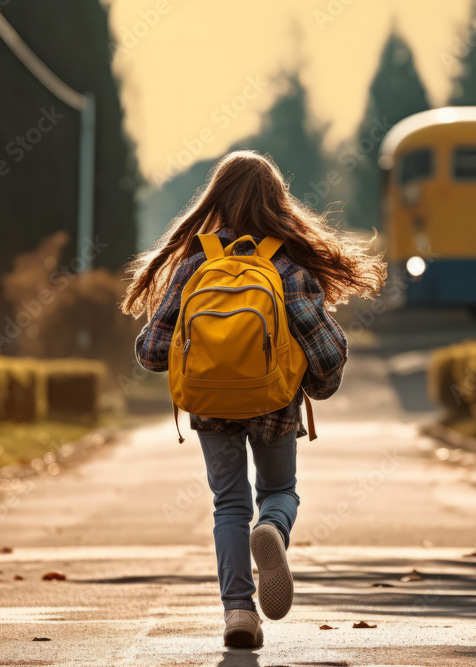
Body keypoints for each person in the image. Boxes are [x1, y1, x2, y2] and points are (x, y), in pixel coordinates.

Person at [122, 150, 386, 648]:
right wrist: (317, 387)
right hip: (272, 400)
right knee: (279, 491)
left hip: (210, 402)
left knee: (228, 504)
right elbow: (324, 350)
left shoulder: (195, 262)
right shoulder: (285, 261)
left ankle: (239, 613)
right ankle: (273, 529)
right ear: (276, 201)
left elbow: (153, 353)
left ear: (214, 200)